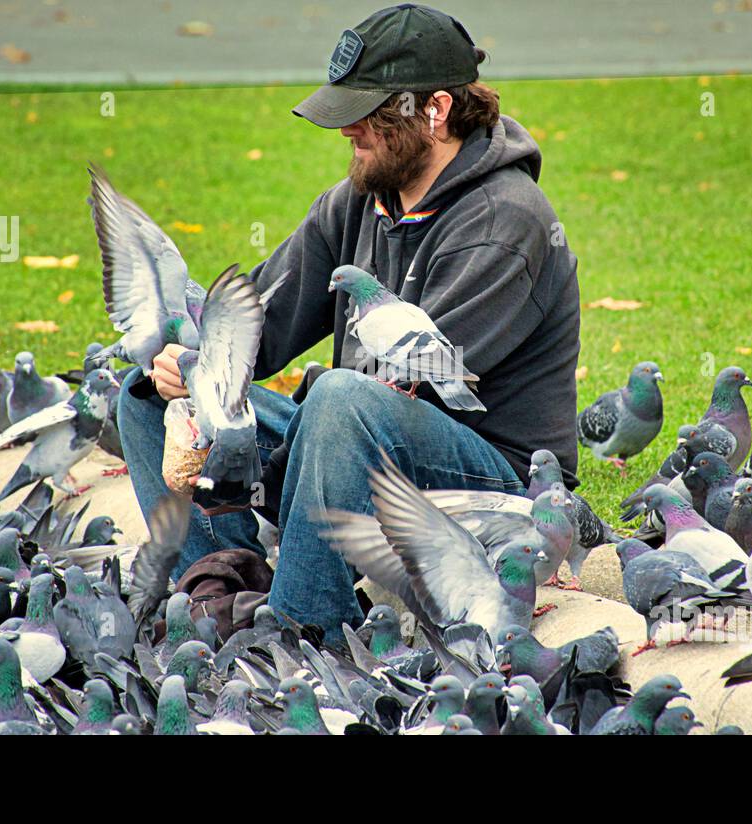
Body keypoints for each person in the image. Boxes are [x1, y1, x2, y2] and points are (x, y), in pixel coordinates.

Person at [118, 4, 581, 638]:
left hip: (496, 483)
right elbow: (256, 326)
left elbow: (414, 387)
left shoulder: (506, 222)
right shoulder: (360, 200)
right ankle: (221, 593)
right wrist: (191, 366)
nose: (347, 131)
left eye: (366, 114)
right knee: (146, 398)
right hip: (352, 439)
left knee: (339, 400)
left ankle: (305, 630)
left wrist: (280, 449)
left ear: (435, 110)